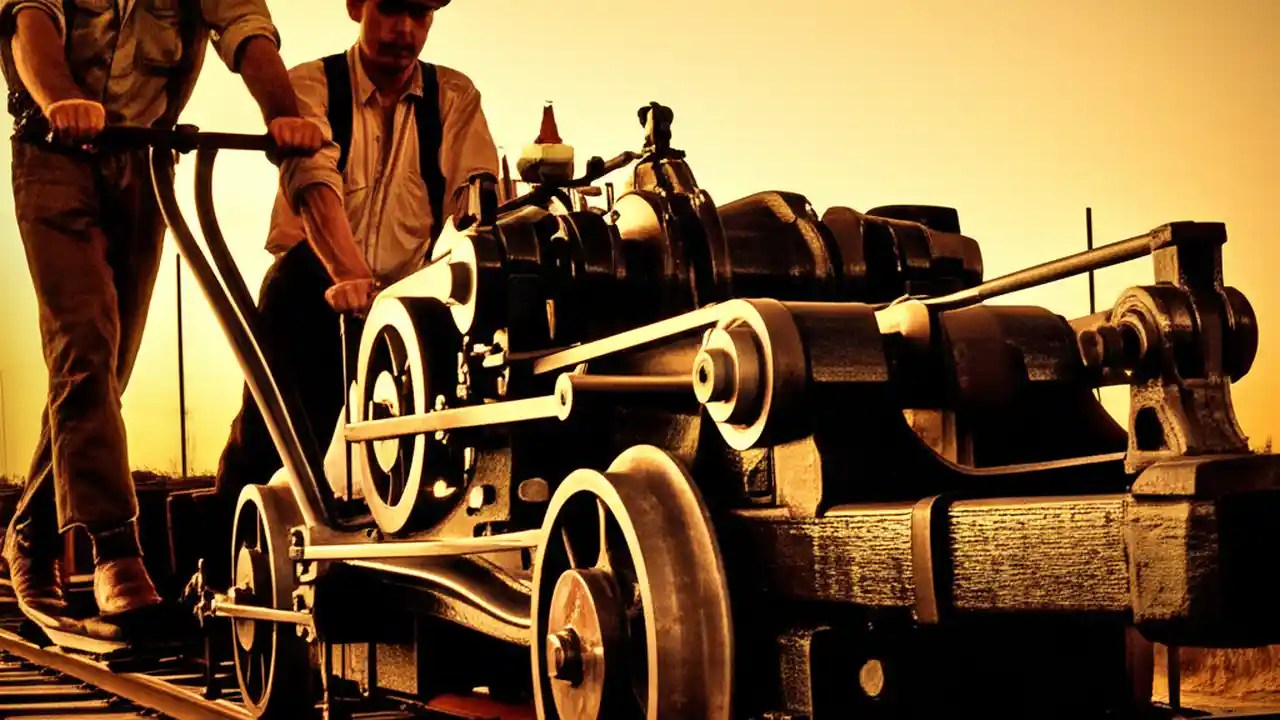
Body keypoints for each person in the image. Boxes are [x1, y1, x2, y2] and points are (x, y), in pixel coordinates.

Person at [0, 0, 324, 628]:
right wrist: (61, 98)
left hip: (142, 159)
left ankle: (32, 532)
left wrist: (284, 112)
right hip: (54, 152)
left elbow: (245, 31)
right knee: (83, 343)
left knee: (106, 368)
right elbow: (29, 22)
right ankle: (115, 549)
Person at [193, 0, 499, 582]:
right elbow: (314, 186)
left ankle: (403, 573)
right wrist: (348, 273)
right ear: (356, 7)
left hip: (406, 302)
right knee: (273, 439)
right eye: (389, 9)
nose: (403, 30)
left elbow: (476, 209)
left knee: (423, 443)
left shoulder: (455, 99)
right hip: (311, 286)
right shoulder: (310, 85)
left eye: (420, 15)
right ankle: (216, 580)